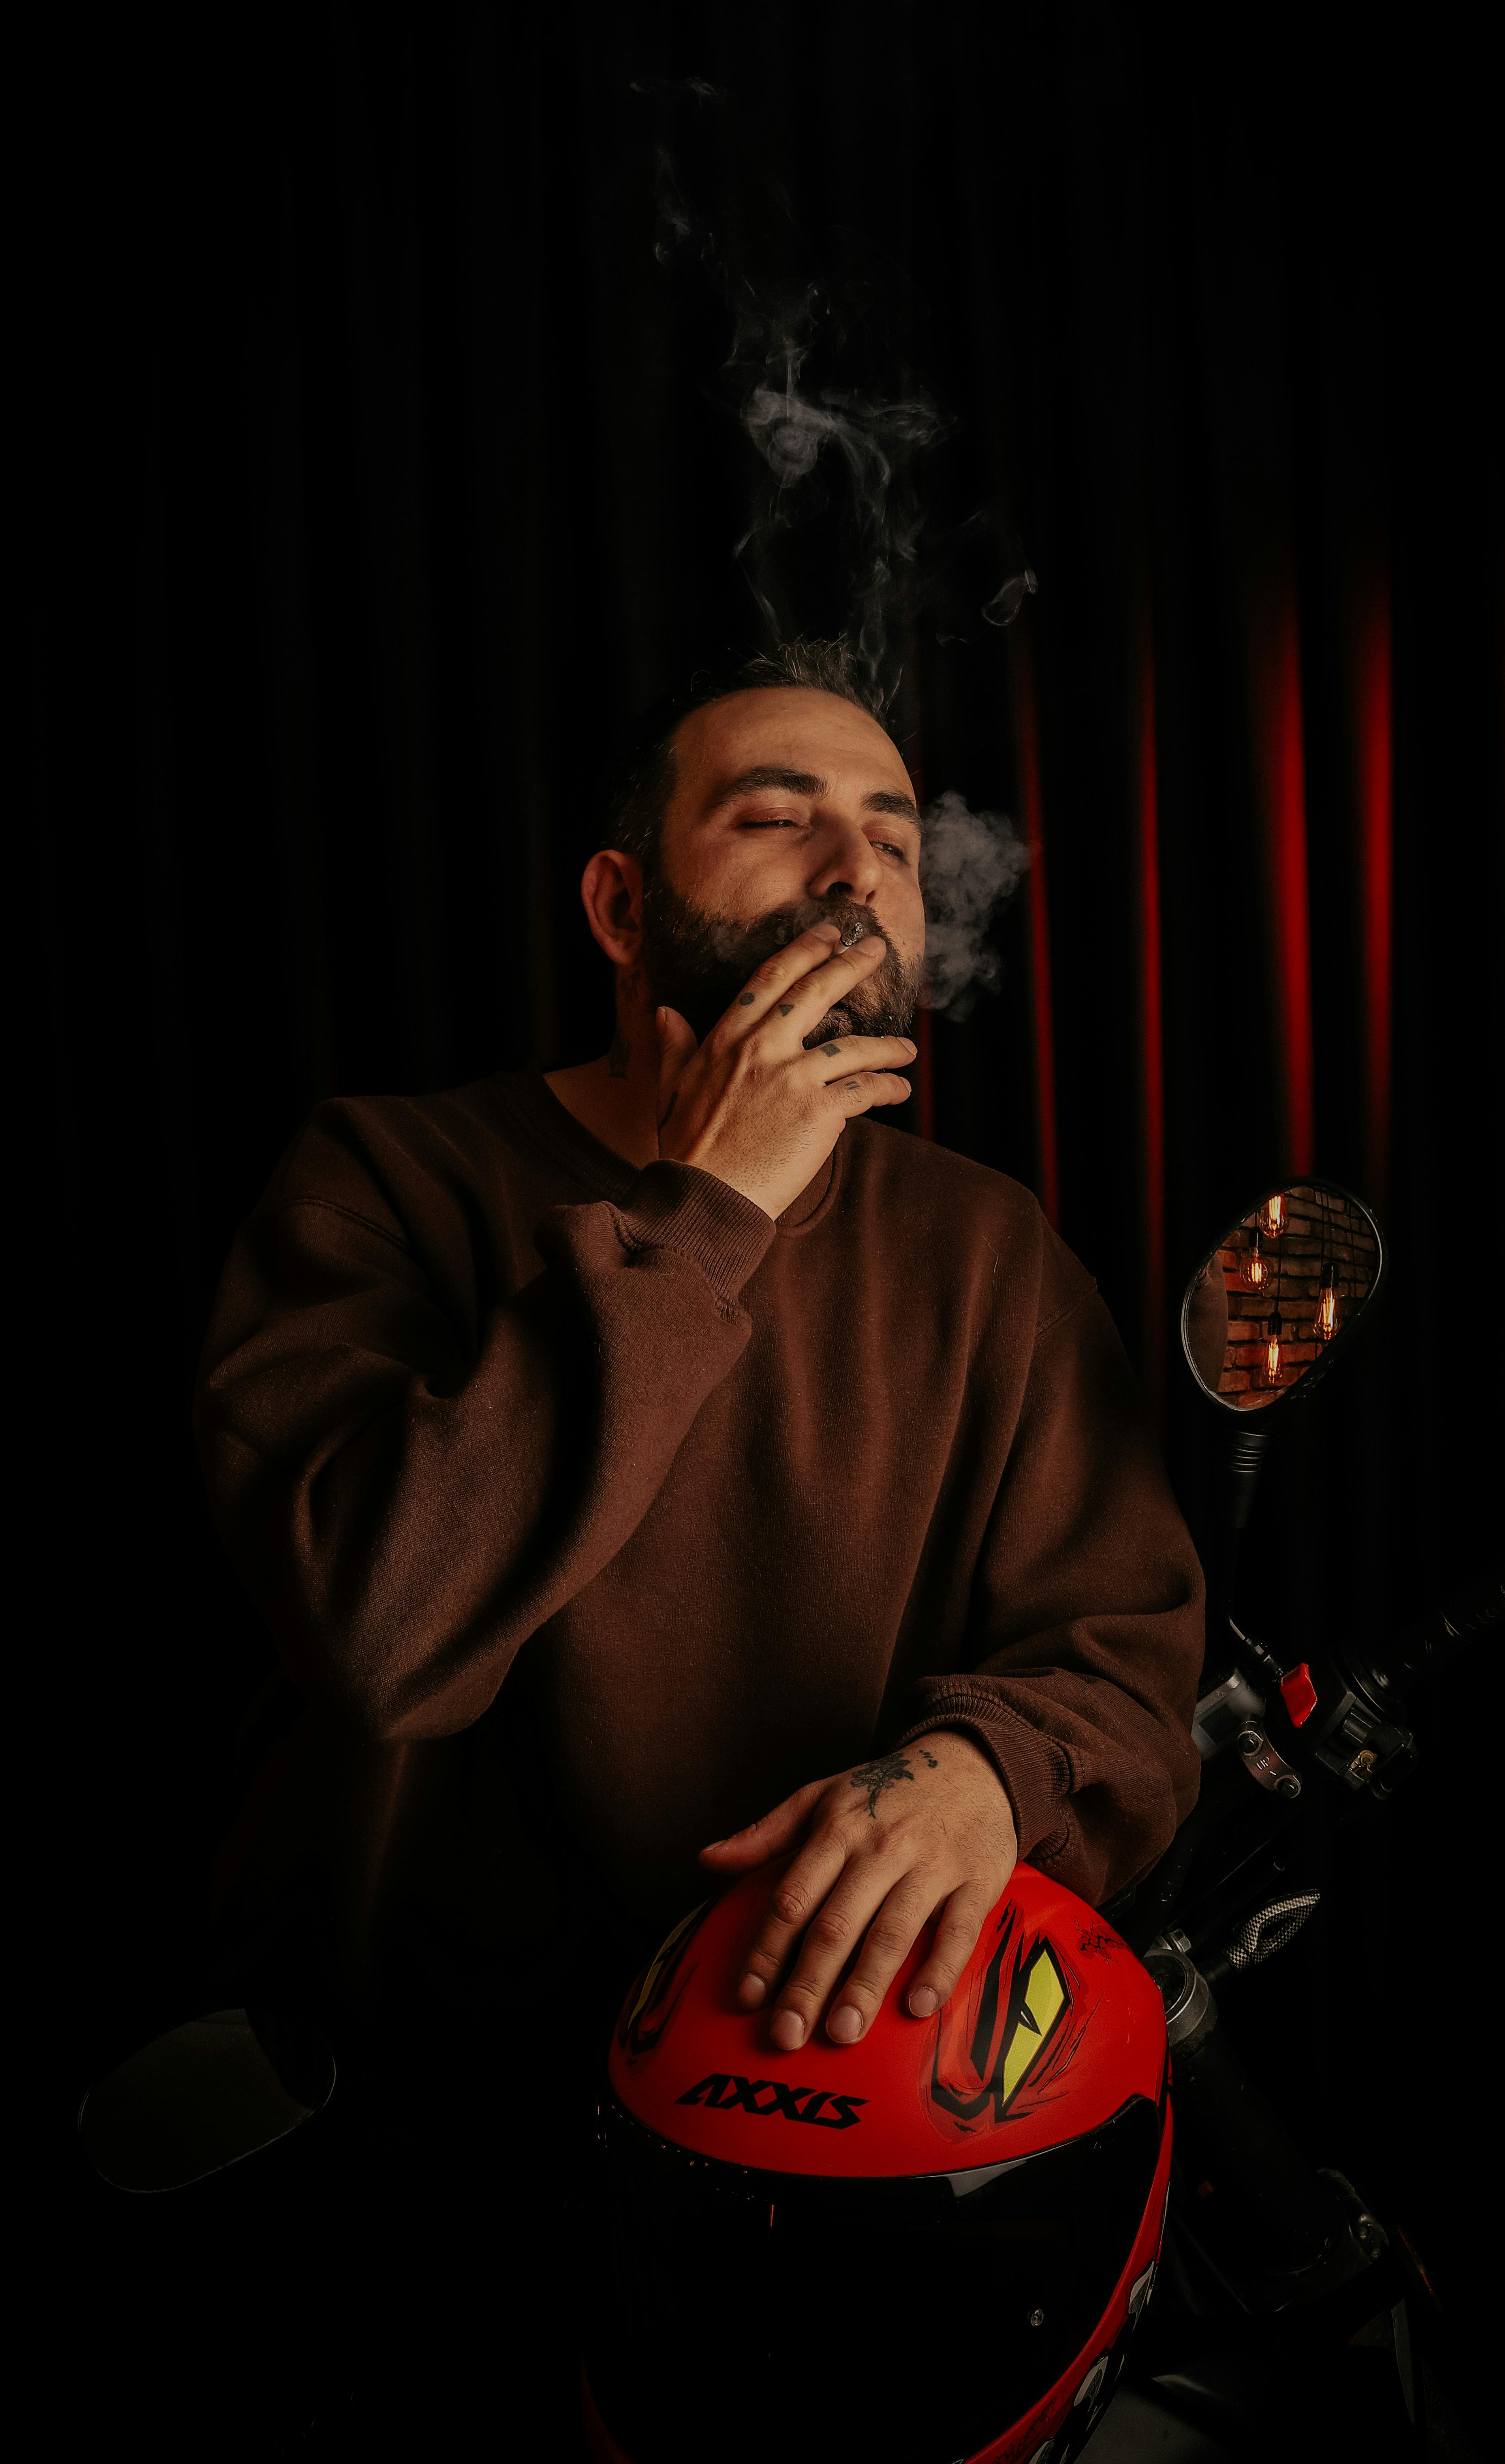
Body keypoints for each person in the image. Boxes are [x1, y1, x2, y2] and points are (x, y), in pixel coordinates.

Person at [192, 634, 1204, 2439]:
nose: (855, 871)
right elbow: (382, 1627)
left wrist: (992, 1768)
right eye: (778, 815)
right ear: (616, 900)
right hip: (436, 2192)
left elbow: (1119, 1654)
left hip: (835, 2192)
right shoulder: (384, 1182)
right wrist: (709, 1208)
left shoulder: (984, 1251)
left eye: (893, 836)